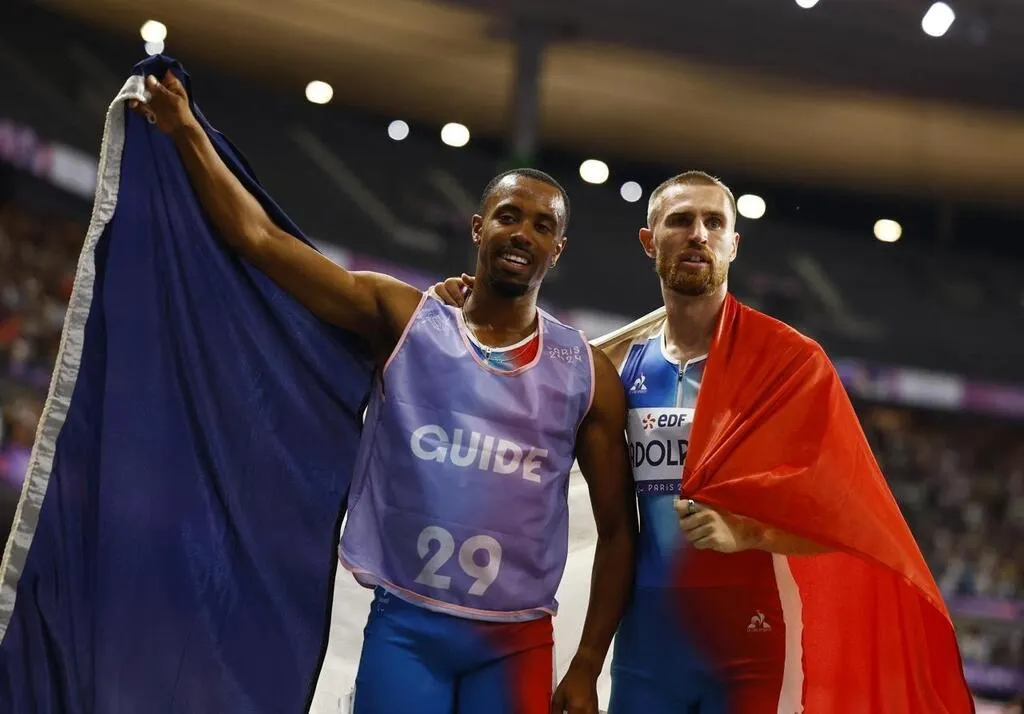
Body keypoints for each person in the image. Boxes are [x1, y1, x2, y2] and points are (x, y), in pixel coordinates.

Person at [134, 71, 636, 714]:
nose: (523, 234)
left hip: (517, 641)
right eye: (509, 217)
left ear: (556, 250)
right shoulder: (404, 319)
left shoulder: (586, 372)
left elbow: (621, 532)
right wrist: (185, 132)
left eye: (542, 226)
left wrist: (588, 664)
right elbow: (259, 240)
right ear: (478, 228)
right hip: (406, 625)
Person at [434, 170, 972, 713]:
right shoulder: (618, 367)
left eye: (714, 223)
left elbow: (846, 516)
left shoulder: (787, 363)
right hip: (645, 639)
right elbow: (515, 384)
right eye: (681, 220)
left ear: (733, 244)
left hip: (747, 643)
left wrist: (745, 531)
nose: (698, 234)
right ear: (650, 241)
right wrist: (466, 313)